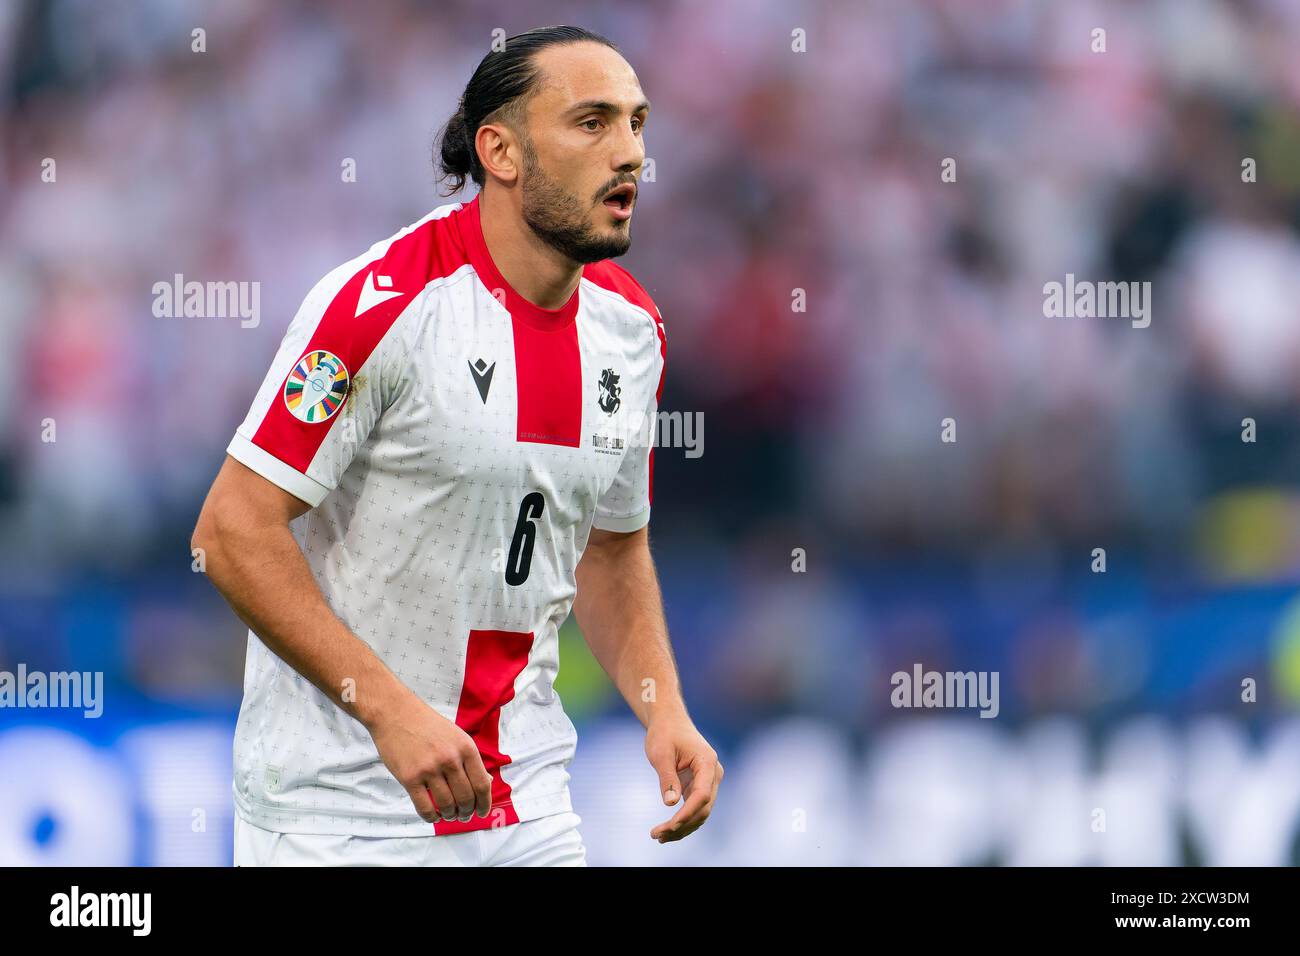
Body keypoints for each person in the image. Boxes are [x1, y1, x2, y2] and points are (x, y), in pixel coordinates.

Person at [192, 25, 721, 867]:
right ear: (500, 151)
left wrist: (663, 708)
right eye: (592, 123)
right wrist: (388, 710)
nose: (629, 153)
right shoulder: (381, 307)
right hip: (341, 816)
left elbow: (611, 549)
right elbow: (231, 531)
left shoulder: (632, 330)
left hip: (527, 804)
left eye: (637, 123)